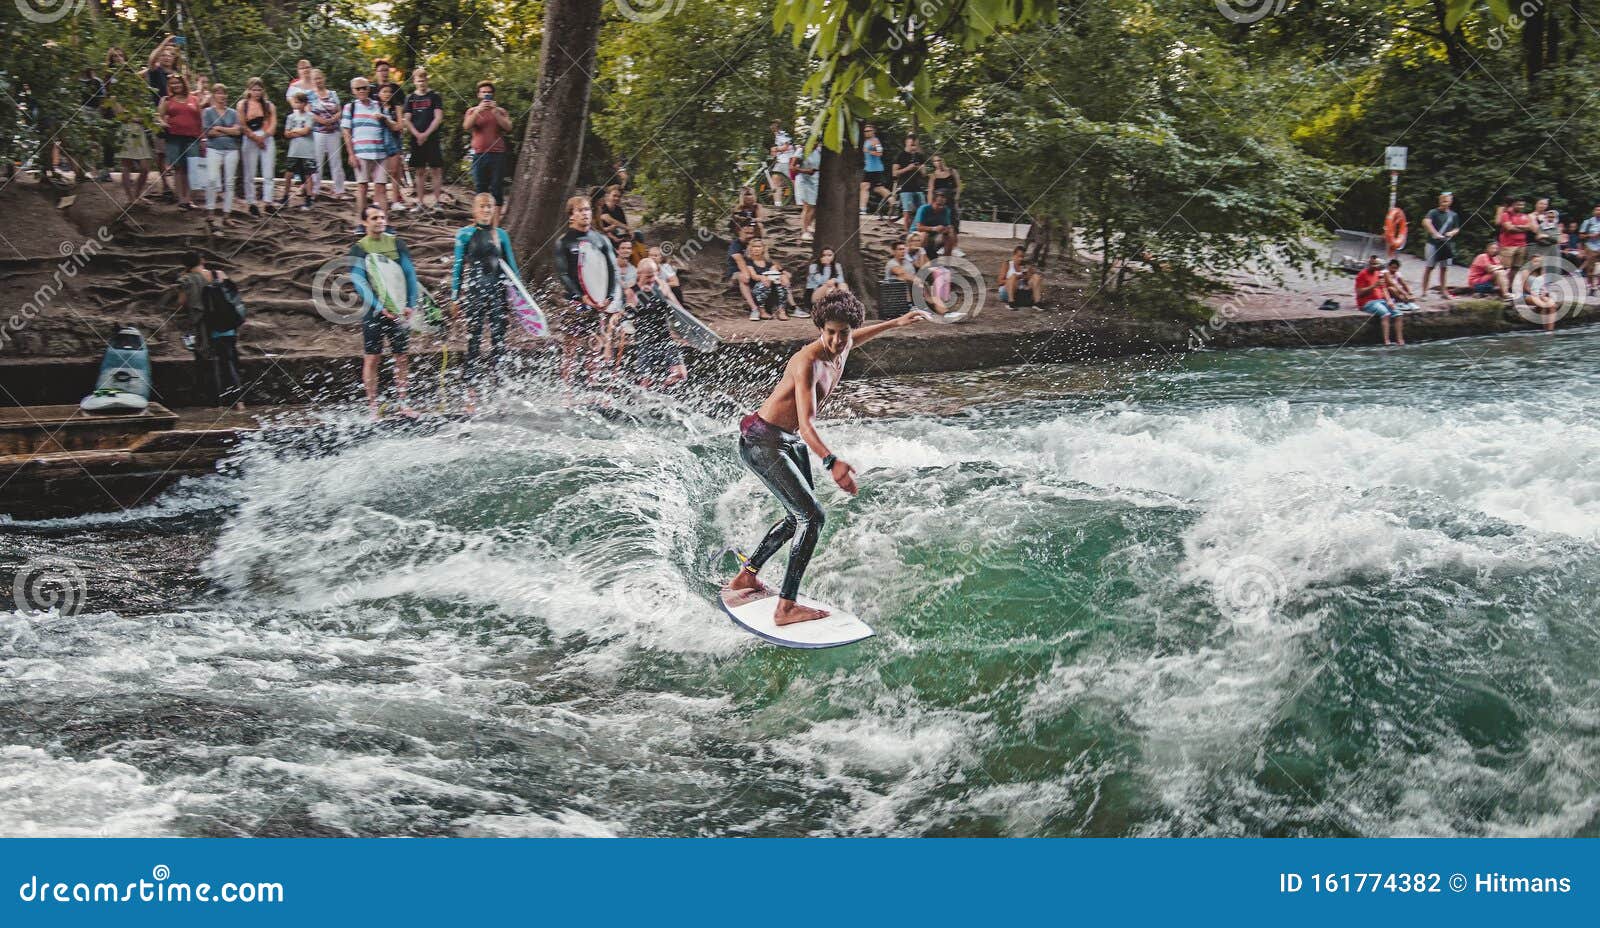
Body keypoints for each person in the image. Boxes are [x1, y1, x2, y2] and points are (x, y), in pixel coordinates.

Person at [724, 290, 929, 625]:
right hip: (762, 441)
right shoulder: (806, 361)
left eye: (843, 333)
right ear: (820, 328)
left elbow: (858, 338)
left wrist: (896, 322)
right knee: (813, 517)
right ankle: (785, 607)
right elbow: (806, 424)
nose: (836, 340)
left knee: (797, 518)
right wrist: (832, 462)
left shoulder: (845, 343)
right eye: (829, 332)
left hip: (787, 441)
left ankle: (746, 577)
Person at [349, 205, 420, 418]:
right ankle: (373, 407)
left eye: (382, 217)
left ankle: (403, 403)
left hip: (398, 309)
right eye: (374, 218)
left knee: (402, 356)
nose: (380, 221)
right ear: (365, 223)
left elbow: (409, 274)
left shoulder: (397, 244)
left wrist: (410, 304)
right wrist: (379, 308)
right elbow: (358, 281)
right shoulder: (359, 248)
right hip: (373, 310)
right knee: (372, 358)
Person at [450, 193, 519, 402]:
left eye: (489, 206)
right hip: (475, 292)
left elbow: (512, 268)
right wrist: (455, 297)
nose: (487, 210)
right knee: (475, 339)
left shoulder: (501, 235)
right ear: (475, 210)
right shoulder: (464, 234)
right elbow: (458, 268)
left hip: (498, 293)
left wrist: (518, 298)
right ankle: (470, 386)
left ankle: (498, 384)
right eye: (482, 206)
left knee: (499, 340)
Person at [553, 195, 620, 385]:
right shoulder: (564, 242)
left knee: (595, 344)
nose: (585, 213)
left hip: (599, 302)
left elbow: (612, 269)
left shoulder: (600, 239)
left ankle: (592, 382)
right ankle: (566, 387)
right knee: (571, 346)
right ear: (571, 216)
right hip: (576, 302)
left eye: (588, 209)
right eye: (580, 210)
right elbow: (563, 275)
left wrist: (610, 296)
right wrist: (581, 296)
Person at [177, 251, 246, 407]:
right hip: (227, 325)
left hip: (206, 329)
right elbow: (232, 293)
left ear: (185, 265)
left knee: (209, 364)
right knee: (229, 362)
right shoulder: (218, 274)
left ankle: (217, 403)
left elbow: (181, 302)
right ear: (202, 260)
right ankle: (238, 402)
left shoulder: (186, 280)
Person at [630, 258, 691, 390]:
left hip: (664, 338)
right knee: (646, 382)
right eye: (648, 276)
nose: (652, 278)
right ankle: (642, 400)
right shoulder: (632, 291)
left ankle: (662, 390)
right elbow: (625, 314)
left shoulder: (662, 286)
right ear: (639, 274)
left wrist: (686, 333)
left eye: (654, 274)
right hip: (645, 341)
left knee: (681, 374)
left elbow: (678, 309)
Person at [341, 77, 389, 233]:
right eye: (358, 88)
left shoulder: (378, 105)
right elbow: (346, 132)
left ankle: (383, 224)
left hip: (381, 151)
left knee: (380, 188)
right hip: (361, 152)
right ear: (353, 91)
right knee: (362, 187)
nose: (361, 91)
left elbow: (391, 125)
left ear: (369, 88)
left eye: (364, 87)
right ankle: (362, 223)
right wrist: (351, 154)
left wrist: (384, 118)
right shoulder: (350, 107)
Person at [463, 81, 511, 224]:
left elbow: (508, 127)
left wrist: (496, 113)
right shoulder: (472, 111)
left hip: (497, 154)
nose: (486, 95)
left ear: (493, 94)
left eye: (489, 92)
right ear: (479, 94)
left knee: (497, 188)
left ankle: (495, 225)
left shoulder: (500, 111)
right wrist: (478, 110)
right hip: (479, 154)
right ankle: (480, 223)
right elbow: (466, 126)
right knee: (480, 188)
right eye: (483, 92)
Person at [158, 73, 202, 211]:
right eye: (172, 83)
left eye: (178, 82)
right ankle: (181, 200)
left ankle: (189, 199)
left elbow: (200, 119)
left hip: (192, 137)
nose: (175, 85)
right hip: (174, 137)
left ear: (183, 83)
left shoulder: (194, 99)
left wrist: (203, 138)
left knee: (191, 167)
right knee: (179, 168)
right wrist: (163, 124)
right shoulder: (167, 100)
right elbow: (158, 117)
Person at [201, 83, 243, 226]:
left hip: (232, 149)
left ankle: (227, 215)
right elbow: (209, 132)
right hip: (214, 149)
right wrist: (228, 130)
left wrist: (219, 128)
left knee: (230, 182)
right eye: (218, 93)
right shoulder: (207, 112)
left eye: (224, 93)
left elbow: (237, 131)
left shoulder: (233, 113)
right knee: (212, 179)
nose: (222, 96)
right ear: (213, 95)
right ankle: (210, 212)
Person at [404, 68, 445, 213]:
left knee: (436, 170)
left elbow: (438, 117)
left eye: (424, 79)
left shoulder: (434, 96)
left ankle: (437, 202)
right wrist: (417, 135)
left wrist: (426, 134)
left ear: (427, 80)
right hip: (416, 140)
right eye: (418, 80)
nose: (421, 82)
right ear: (414, 81)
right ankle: (420, 203)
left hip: (432, 138)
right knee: (419, 171)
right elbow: (407, 119)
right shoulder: (410, 98)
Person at [237, 77, 277, 217]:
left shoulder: (268, 105)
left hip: (266, 137)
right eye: (254, 89)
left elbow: (273, 124)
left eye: (259, 89)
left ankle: (268, 202)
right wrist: (255, 138)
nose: (257, 92)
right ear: (249, 90)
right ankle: (251, 202)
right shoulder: (243, 104)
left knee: (268, 172)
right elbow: (242, 125)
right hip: (250, 137)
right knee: (250, 172)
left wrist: (264, 137)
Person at [885, 239, 951, 317]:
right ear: (894, 251)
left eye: (904, 249)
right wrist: (918, 281)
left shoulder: (908, 262)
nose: (903, 251)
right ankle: (913, 305)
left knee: (933, 296)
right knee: (904, 279)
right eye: (900, 249)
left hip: (914, 290)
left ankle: (947, 314)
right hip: (895, 294)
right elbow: (903, 274)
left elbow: (922, 267)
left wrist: (921, 251)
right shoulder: (892, 263)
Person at [308, 69, 346, 200]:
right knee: (317, 161)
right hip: (318, 132)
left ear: (324, 78)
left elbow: (340, 111)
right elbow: (309, 113)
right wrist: (323, 121)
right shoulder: (310, 95)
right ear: (312, 81)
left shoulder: (333, 94)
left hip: (333, 131)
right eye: (315, 79)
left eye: (319, 78)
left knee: (336, 161)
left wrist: (332, 120)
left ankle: (339, 190)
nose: (318, 81)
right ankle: (315, 189)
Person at [1355, 254, 1405, 346]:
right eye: (1372, 264)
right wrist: (1373, 286)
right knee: (1386, 313)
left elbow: (1384, 289)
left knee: (1398, 314)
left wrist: (1389, 300)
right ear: (1369, 264)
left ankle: (1400, 340)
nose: (1375, 266)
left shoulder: (1379, 274)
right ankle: (1386, 341)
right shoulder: (1362, 274)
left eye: (1376, 264)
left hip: (1381, 300)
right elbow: (1359, 293)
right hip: (1367, 302)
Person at [280, 92, 317, 210]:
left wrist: (294, 132)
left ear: (305, 103)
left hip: (308, 150)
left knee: (308, 174)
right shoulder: (291, 117)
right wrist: (297, 132)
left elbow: (306, 131)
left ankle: (309, 198)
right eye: (296, 102)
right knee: (289, 173)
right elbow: (286, 133)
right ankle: (285, 196)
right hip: (294, 150)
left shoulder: (310, 116)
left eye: (300, 102)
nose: (297, 104)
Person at [743, 238, 795, 321]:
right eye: (754, 246)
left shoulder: (768, 262)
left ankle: (782, 311)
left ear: (763, 249)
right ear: (750, 249)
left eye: (759, 246)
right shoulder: (749, 262)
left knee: (781, 281)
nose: (756, 249)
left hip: (771, 288)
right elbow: (754, 276)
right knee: (764, 283)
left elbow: (776, 271)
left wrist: (782, 276)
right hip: (758, 290)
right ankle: (762, 311)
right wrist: (762, 277)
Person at [1420, 192, 1459, 300]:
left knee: (1444, 268)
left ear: (1450, 202)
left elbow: (1456, 228)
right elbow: (1426, 222)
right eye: (1442, 200)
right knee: (1429, 267)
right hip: (1433, 244)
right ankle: (1424, 292)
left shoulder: (1453, 215)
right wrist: (1435, 233)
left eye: (1446, 201)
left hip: (1446, 244)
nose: (1444, 203)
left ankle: (1444, 292)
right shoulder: (1433, 212)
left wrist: (1451, 233)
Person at [925, 155, 962, 250]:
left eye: (939, 160)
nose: (938, 163)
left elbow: (958, 186)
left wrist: (957, 198)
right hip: (939, 202)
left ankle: (955, 247)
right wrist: (929, 205)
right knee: (942, 223)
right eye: (935, 161)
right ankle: (944, 245)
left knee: (954, 222)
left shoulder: (952, 171)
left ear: (943, 160)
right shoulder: (933, 176)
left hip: (951, 200)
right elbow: (930, 191)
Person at [892, 134, 928, 231]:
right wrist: (908, 168)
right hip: (905, 187)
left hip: (918, 187)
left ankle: (919, 233)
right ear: (906, 143)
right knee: (907, 213)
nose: (914, 147)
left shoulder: (920, 156)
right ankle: (907, 235)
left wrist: (919, 168)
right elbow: (894, 173)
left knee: (923, 211)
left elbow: (924, 173)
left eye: (915, 145)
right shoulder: (900, 155)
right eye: (912, 145)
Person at [1517, 257, 1560, 332]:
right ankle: (1545, 330)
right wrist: (1534, 294)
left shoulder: (1542, 271)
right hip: (1527, 295)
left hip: (1539, 295)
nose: (1537, 263)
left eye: (1539, 261)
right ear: (1531, 262)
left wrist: (1544, 292)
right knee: (1544, 304)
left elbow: (1543, 285)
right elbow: (1524, 287)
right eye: (1535, 261)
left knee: (1553, 306)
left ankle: (1550, 330)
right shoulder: (1526, 271)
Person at [726, 222, 760, 317]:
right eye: (746, 233)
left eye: (751, 233)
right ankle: (754, 308)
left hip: (753, 270)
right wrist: (746, 273)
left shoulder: (755, 243)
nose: (749, 235)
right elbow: (738, 259)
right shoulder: (736, 244)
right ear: (739, 232)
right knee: (742, 277)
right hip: (736, 271)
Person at [1497, 197, 1534, 280]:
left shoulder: (1525, 216)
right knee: (1505, 268)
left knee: (1516, 268)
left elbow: (1530, 227)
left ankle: (1511, 286)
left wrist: (1516, 227)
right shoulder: (1506, 215)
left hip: (1522, 245)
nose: (1521, 206)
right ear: (1513, 204)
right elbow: (1509, 228)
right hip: (1508, 245)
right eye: (1518, 204)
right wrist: (1523, 227)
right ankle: (1502, 287)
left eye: (1522, 205)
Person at [912, 189, 957, 257]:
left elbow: (947, 225)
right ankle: (920, 258)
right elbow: (919, 228)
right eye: (940, 196)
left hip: (934, 236)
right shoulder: (924, 208)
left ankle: (946, 261)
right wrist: (934, 228)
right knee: (925, 235)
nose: (942, 199)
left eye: (944, 197)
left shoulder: (946, 210)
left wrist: (947, 229)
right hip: (916, 235)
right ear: (935, 197)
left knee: (950, 233)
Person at [859, 123, 892, 214]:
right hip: (868, 168)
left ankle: (893, 202)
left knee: (879, 189)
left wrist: (869, 151)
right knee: (864, 186)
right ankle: (862, 209)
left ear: (873, 131)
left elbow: (880, 153)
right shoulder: (866, 141)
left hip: (875, 169)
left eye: (869, 131)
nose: (866, 132)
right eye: (865, 131)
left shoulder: (875, 141)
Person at [793, 141, 821, 242]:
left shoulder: (819, 151)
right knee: (809, 207)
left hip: (816, 181)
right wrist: (806, 171)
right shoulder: (802, 151)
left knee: (815, 207)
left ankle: (808, 225)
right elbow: (792, 168)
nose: (815, 143)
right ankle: (804, 231)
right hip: (805, 181)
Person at [805, 247, 846, 313]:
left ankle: (842, 307)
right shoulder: (813, 266)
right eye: (824, 255)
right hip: (814, 295)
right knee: (829, 286)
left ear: (834, 256)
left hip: (831, 291)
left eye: (829, 255)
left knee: (843, 285)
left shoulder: (837, 266)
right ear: (820, 256)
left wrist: (834, 280)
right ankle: (831, 310)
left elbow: (841, 280)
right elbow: (820, 281)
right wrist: (826, 266)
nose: (827, 257)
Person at [767, 121, 793, 208]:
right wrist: (775, 152)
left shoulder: (783, 134)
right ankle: (779, 204)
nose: (773, 130)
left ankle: (783, 203)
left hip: (784, 161)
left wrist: (775, 149)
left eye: (773, 128)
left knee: (786, 183)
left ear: (777, 127)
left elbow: (786, 147)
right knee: (778, 183)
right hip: (782, 161)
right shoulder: (779, 135)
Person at [1581, 205, 1600, 295]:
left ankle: (1596, 285)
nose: (1599, 212)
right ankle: (1591, 287)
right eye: (1597, 210)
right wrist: (1591, 236)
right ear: (1593, 211)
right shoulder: (1588, 222)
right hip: (1591, 247)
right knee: (1591, 269)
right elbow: (1581, 236)